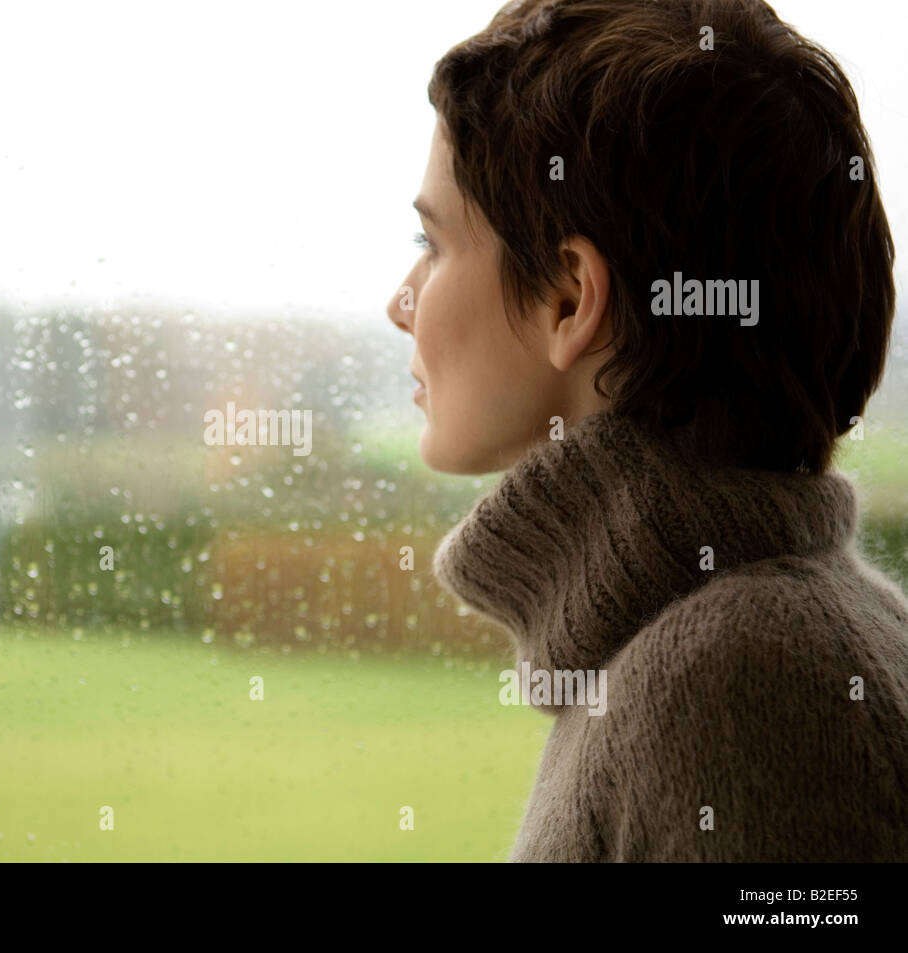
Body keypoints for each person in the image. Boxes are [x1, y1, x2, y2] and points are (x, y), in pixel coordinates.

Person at [386, 0, 908, 861]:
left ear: (569, 297)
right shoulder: (725, 640)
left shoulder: (737, 676)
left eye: (432, 242)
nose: (401, 302)